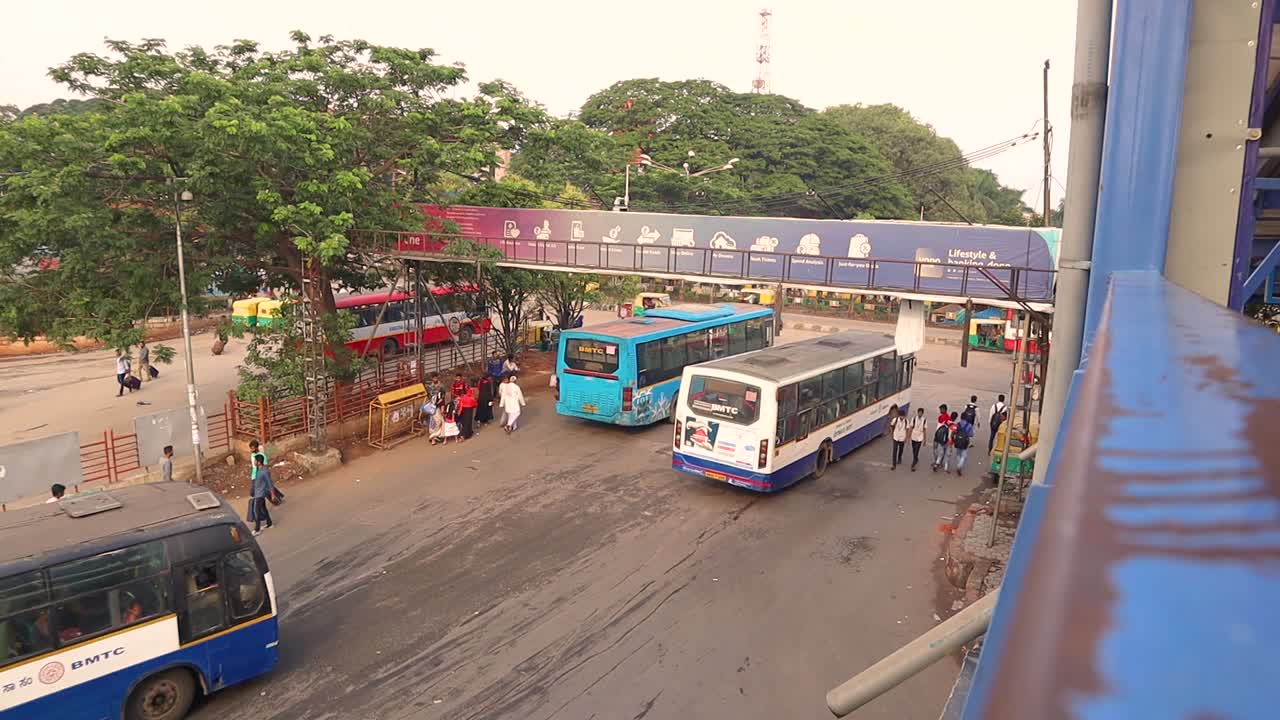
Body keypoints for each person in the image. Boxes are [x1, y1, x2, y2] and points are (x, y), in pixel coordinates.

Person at [249, 454, 275, 535]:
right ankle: (269, 523)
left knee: (256, 511)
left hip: (260, 494)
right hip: (258, 493)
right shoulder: (258, 470)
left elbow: (270, 483)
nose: (254, 461)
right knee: (264, 509)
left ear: (259, 462)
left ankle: (257, 529)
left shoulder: (264, 471)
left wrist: (273, 494)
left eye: (255, 460)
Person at [953, 411, 975, 476]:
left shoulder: (958, 424)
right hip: (965, 442)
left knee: (958, 454)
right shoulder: (969, 425)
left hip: (957, 441)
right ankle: (959, 466)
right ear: (967, 417)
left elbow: (954, 431)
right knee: (964, 456)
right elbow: (971, 434)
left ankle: (958, 465)